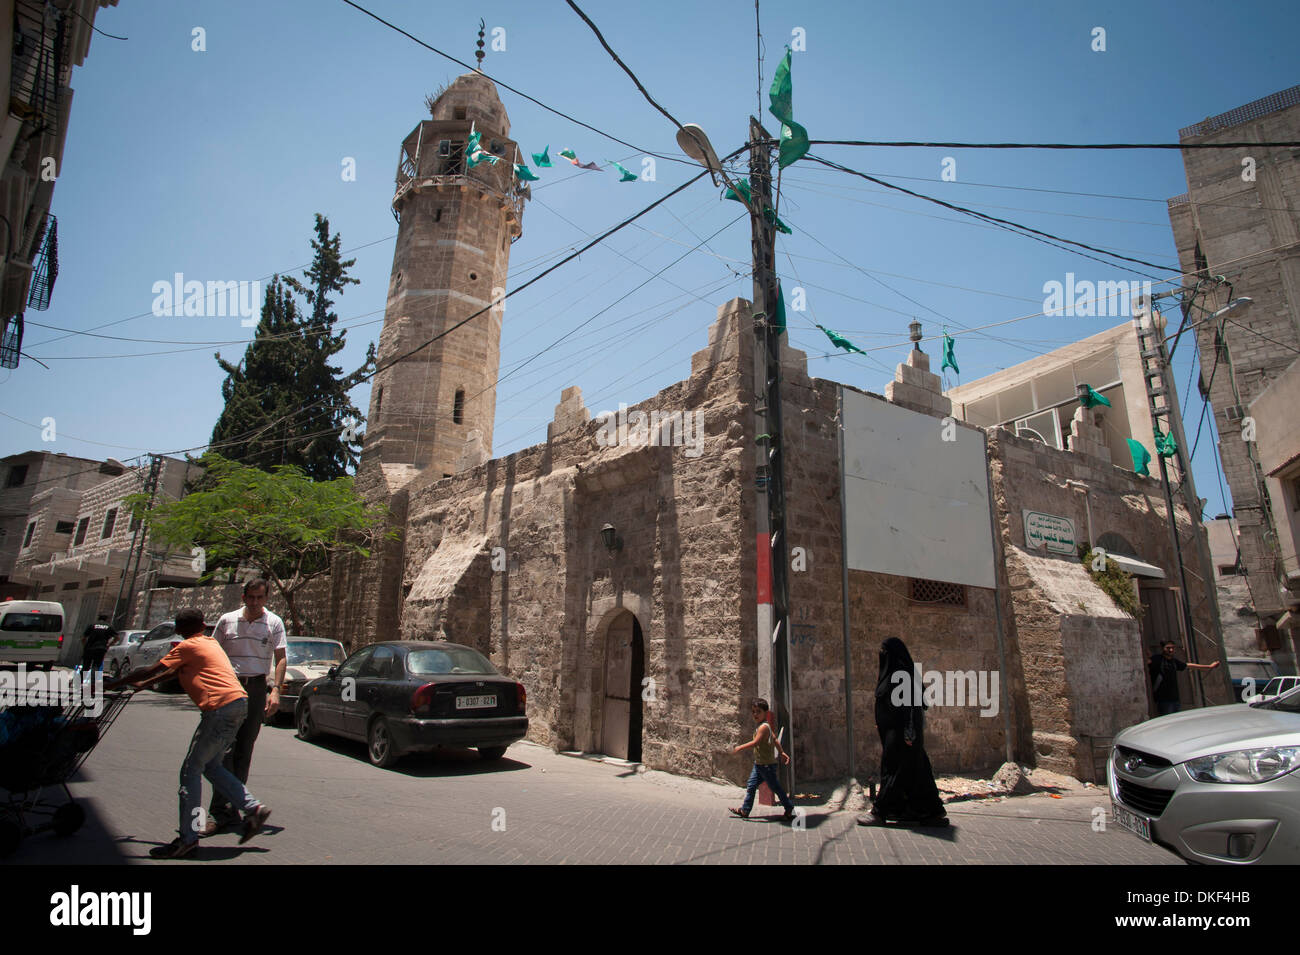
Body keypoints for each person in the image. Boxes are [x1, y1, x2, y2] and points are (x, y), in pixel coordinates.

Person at [107, 609, 272, 858]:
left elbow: (151, 669)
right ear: (204, 625)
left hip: (219, 709)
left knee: (190, 771)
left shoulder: (189, 645)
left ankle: (188, 838)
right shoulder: (208, 642)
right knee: (212, 766)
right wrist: (145, 685)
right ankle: (253, 808)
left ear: (178, 629)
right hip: (239, 705)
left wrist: (114, 683)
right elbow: (173, 672)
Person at [205, 578, 287, 834]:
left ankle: (235, 809)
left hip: (255, 689)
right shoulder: (226, 620)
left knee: (244, 750)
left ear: (266, 598)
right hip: (229, 688)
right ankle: (219, 813)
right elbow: (211, 652)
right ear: (243, 597)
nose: (254, 602)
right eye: (250, 597)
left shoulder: (274, 622)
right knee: (224, 751)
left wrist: (275, 690)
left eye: (259, 598)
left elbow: (281, 658)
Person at [858, 637, 948, 827]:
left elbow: (911, 708)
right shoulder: (895, 674)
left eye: (885, 652)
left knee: (893, 772)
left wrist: (909, 734)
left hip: (903, 738)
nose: (882, 656)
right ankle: (928, 811)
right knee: (919, 773)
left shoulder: (902, 676)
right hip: (898, 736)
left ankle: (880, 812)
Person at [728, 698, 796, 821]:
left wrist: (739, 748)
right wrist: (782, 752)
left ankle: (789, 807)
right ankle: (745, 810)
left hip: (766, 765)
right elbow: (775, 739)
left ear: (765, 713)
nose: (755, 714)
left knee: (775, 788)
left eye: (758, 711)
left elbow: (756, 742)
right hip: (759, 764)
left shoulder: (763, 727)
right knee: (751, 786)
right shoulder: (763, 726)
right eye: (753, 711)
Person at [1149, 640, 1219, 715]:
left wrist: (1209, 667)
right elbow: (1148, 662)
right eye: (1168, 648)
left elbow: (1188, 665)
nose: (1171, 650)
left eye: (1172, 648)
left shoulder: (1174, 662)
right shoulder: (1157, 659)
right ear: (1162, 648)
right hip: (1163, 700)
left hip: (1175, 699)